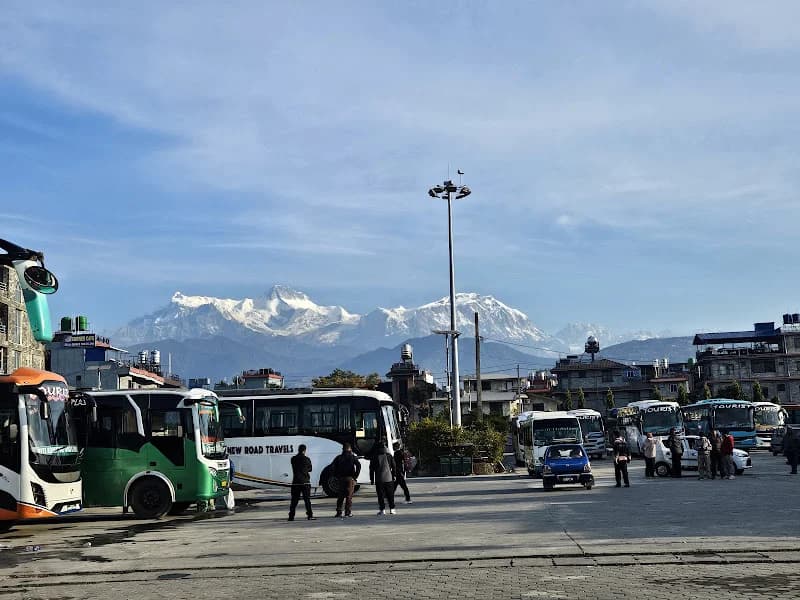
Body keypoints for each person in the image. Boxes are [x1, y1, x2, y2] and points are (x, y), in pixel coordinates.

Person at [332, 442, 361, 518]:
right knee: (349, 496)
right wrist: (355, 477)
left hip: (341, 478)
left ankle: (339, 512)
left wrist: (337, 476)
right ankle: (347, 512)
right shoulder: (352, 457)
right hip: (350, 478)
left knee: (340, 496)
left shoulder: (338, 457)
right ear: (350, 449)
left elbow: (333, 467)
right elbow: (358, 465)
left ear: (343, 449)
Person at [288, 444, 315, 521]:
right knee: (307, 500)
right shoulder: (307, 459)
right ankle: (310, 515)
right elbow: (310, 469)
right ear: (304, 450)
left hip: (296, 482)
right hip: (305, 482)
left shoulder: (293, 459)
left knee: (294, 500)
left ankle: (291, 516)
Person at [370, 441, 396, 515]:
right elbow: (394, 466)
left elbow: (371, 469)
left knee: (380, 495)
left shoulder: (374, 457)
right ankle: (392, 509)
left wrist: (372, 479)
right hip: (389, 478)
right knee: (390, 495)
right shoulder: (389, 456)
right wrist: (394, 475)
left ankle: (382, 510)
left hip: (379, 480)